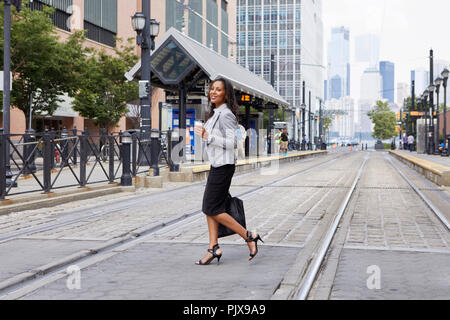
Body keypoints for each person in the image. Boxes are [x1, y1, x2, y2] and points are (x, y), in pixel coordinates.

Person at [193, 78, 263, 265]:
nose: (213, 92)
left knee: (211, 207)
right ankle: (213, 248)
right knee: (211, 208)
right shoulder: (215, 113)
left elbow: (233, 143)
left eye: (218, 89)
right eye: (212, 89)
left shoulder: (227, 115)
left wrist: (209, 136)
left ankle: (249, 236)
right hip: (217, 165)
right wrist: (203, 134)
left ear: (226, 94)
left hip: (224, 166)